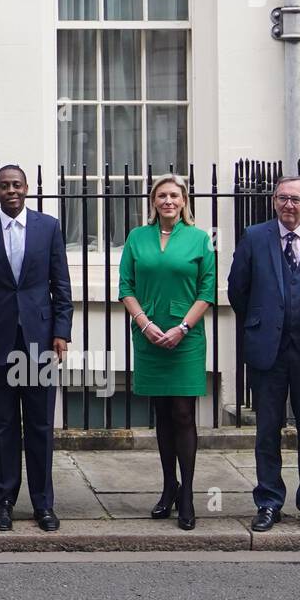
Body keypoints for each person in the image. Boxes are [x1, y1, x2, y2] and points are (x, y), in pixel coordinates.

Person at [228, 174, 300, 536]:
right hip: (269, 352)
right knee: (267, 431)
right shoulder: (254, 237)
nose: (289, 205)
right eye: (282, 198)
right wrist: (264, 323)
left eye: (295, 199)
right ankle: (268, 502)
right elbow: (238, 291)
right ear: (274, 202)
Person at [0, 164, 72, 532]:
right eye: (4, 185)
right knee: (2, 426)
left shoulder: (48, 227)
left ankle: (43, 504)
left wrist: (62, 332)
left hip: (39, 343)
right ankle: (4, 501)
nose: (11, 190)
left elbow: (62, 286)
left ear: (26, 189)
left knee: (40, 425)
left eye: (17, 185)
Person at [119, 173, 216, 531]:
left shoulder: (199, 239)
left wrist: (182, 328)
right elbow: (126, 286)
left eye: (174, 195)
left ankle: (188, 493)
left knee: (183, 414)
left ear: (184, 200)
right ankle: (168, 487)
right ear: (153, 201)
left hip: (185, 338)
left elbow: (207, 291)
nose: (168, 201)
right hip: (149, 335)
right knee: (161, 414)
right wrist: (145, 323)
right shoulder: (136, 238)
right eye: (161, 195)